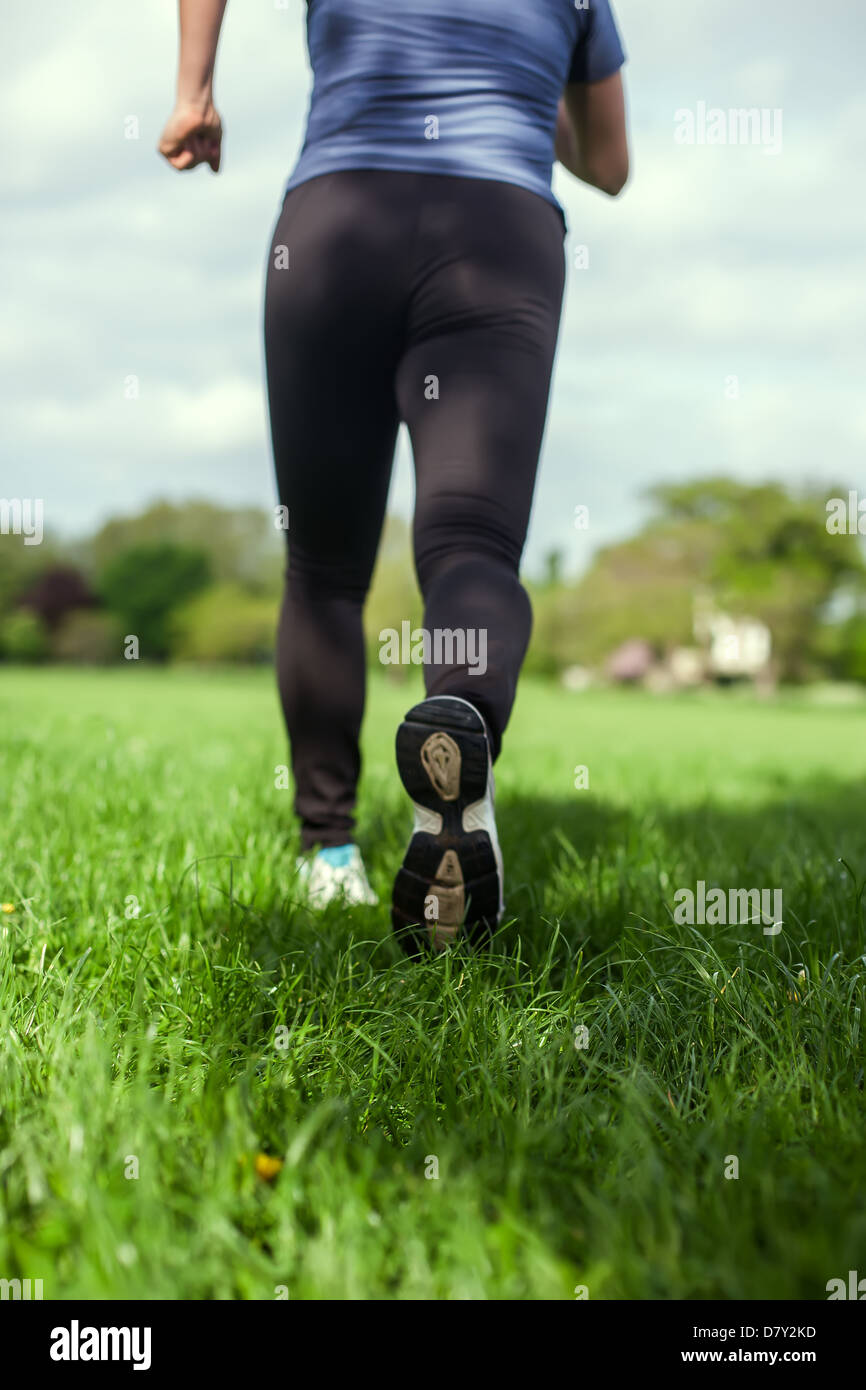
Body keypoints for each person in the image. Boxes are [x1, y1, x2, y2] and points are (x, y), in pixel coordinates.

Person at [158, 0, 629, 954]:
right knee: (472, 543)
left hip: (337, 222)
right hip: (499, 231)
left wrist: (193, 91)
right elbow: (610, 166)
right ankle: (461, 727)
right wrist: (527, 83)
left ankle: (330, 850)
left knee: (324, 567)